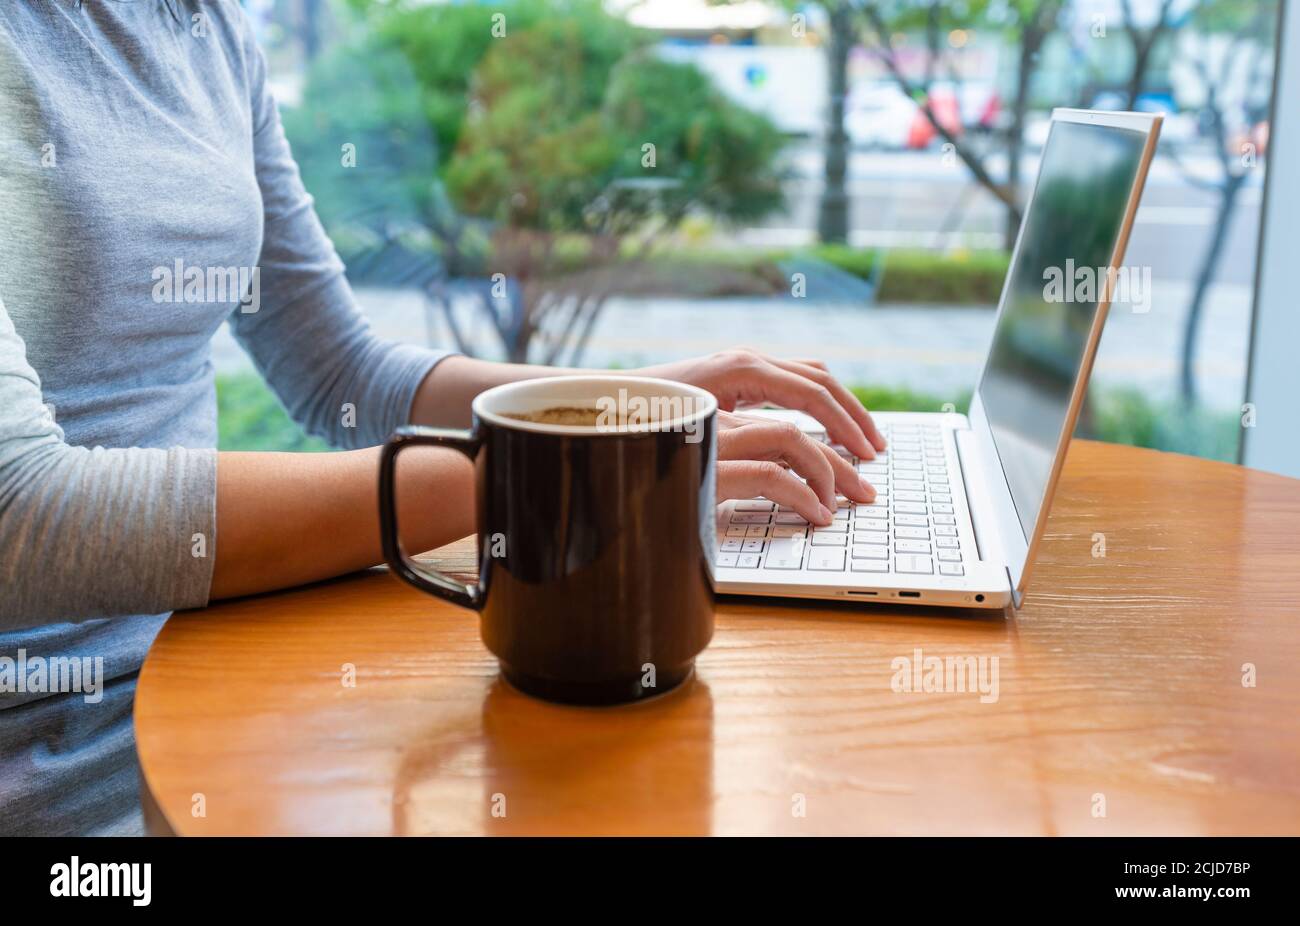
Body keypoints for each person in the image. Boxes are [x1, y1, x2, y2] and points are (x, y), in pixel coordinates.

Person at [0, 0, 885, 835]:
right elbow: (24, 515)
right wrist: (570, 467)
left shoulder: (210, 27)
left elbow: (339, 368)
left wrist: (633, 401)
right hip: (66, 767)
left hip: (210, 673)